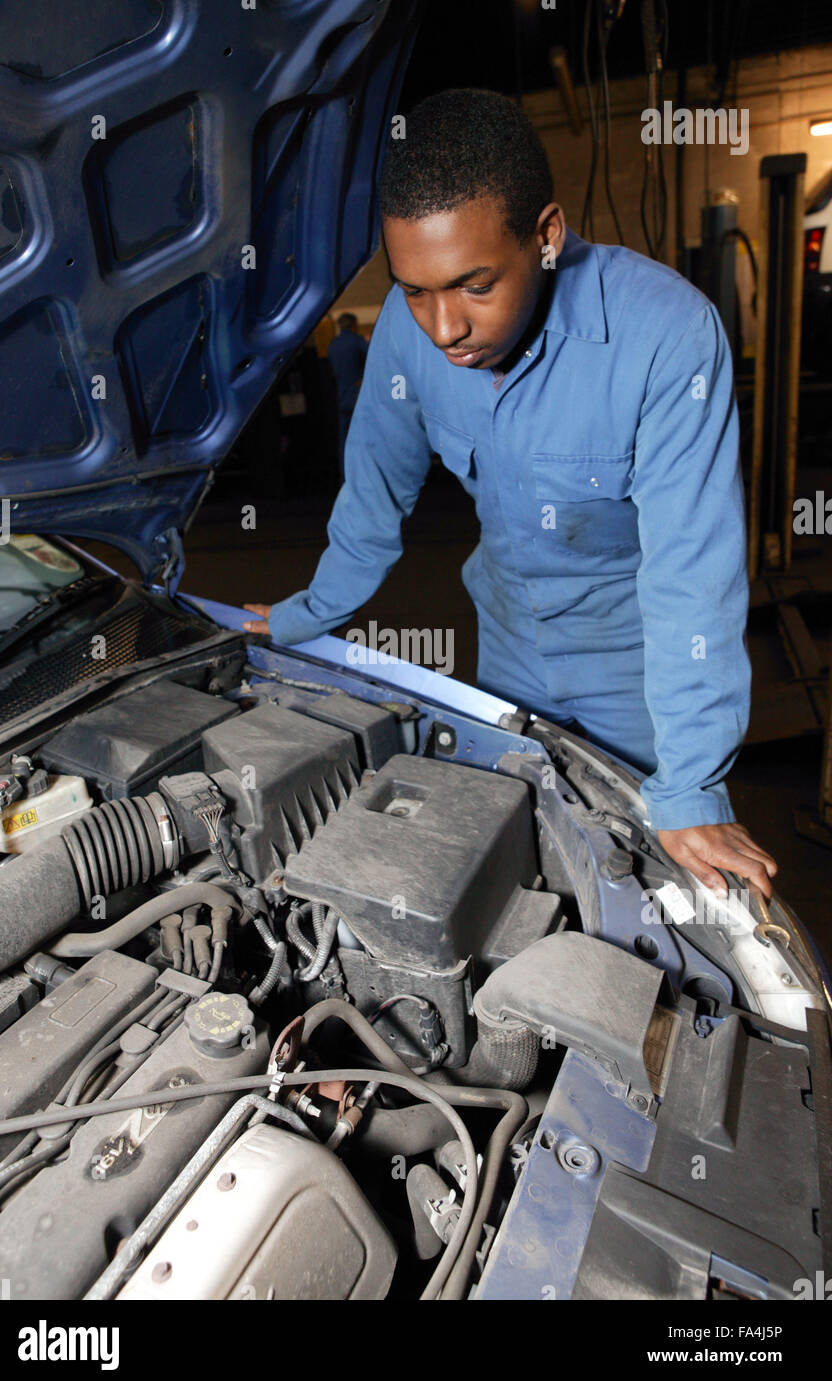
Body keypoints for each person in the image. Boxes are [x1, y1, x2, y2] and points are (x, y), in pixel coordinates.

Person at [243, 88, 777, 900]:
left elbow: (691, 576)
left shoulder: (668, 336)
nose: (442, 327)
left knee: (655, 900)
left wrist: (692, 784)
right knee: (517, 883)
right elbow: (373, 491)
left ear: (548, 236)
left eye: (472, 285)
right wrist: (304, 614)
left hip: (636, 675)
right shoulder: (405, 327)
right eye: (416, 290)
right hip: (504, 657)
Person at [327, 311, 368, 475]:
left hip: (341, 394)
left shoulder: (333, 344)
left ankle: (346, 475)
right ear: (354, 325)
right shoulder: (357, 341)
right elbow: (372, 360)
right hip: (358, 394)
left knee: (345, 439)